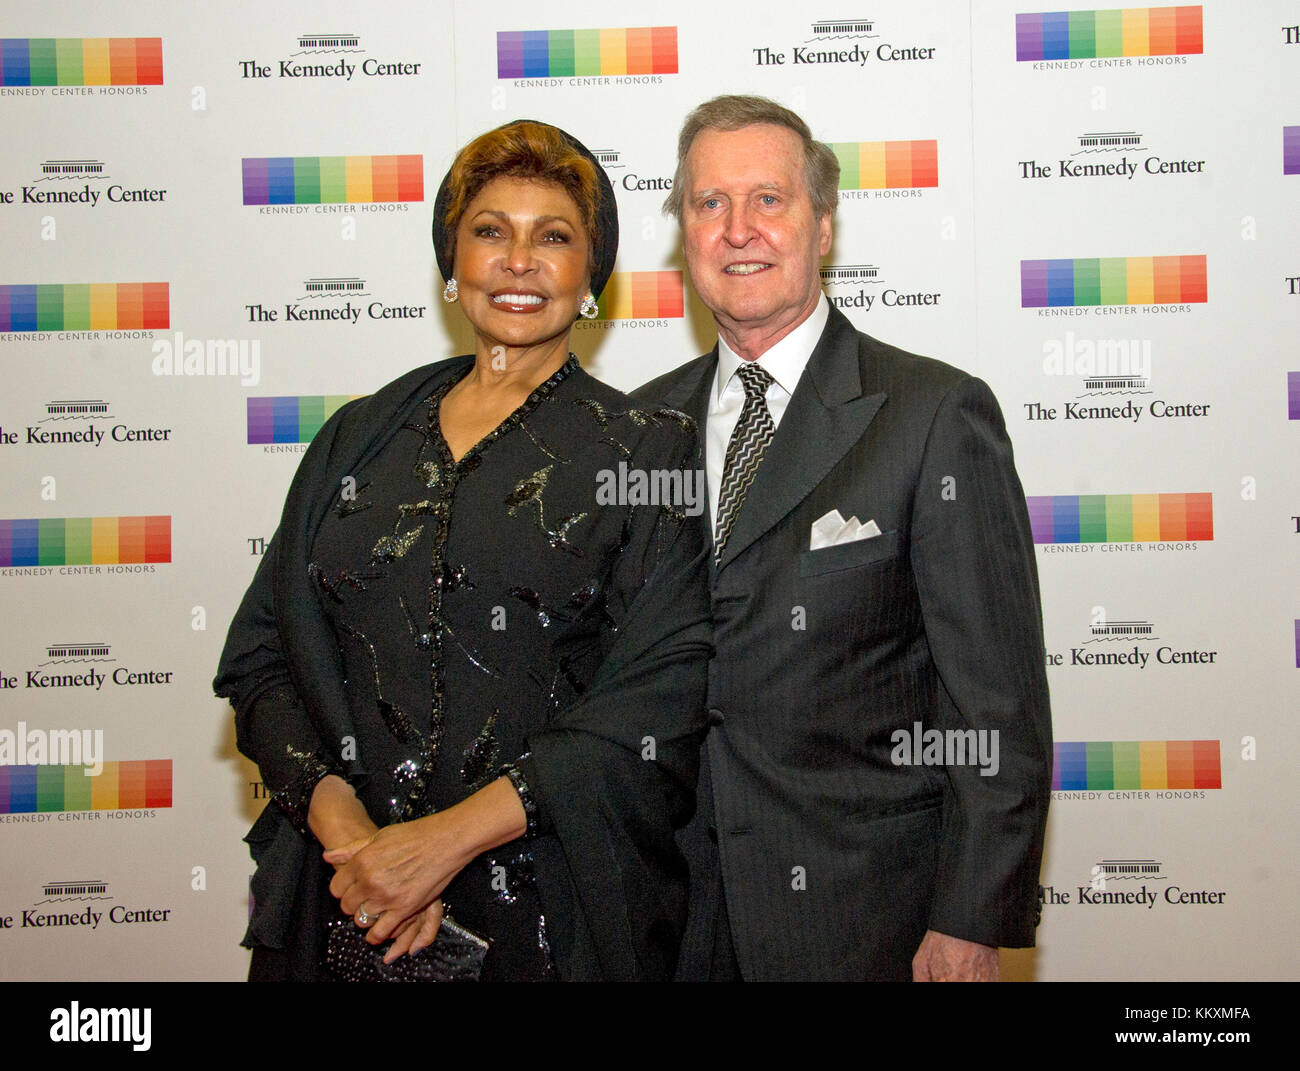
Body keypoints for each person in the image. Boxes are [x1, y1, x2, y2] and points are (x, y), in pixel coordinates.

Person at [214, 120, 710, 981]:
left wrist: (439, 847)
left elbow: (657, 704)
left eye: (553, 237)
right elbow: (262, 656)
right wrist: (359, 845)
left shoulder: (647, 452)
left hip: (543, 917)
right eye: (490, 231)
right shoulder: (356, 437)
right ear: (453, 263)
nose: (519, 260)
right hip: (340, 899)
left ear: (591, 276)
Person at [632, 95, 1053, 981]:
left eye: (769, 200)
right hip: (671, 919)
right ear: (684, 234)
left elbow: (995, 705)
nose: (739, 229)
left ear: (823, 227)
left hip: (867, 924)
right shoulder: (639, 426)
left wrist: (972, 918)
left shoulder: (934, 414)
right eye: (710, 204)